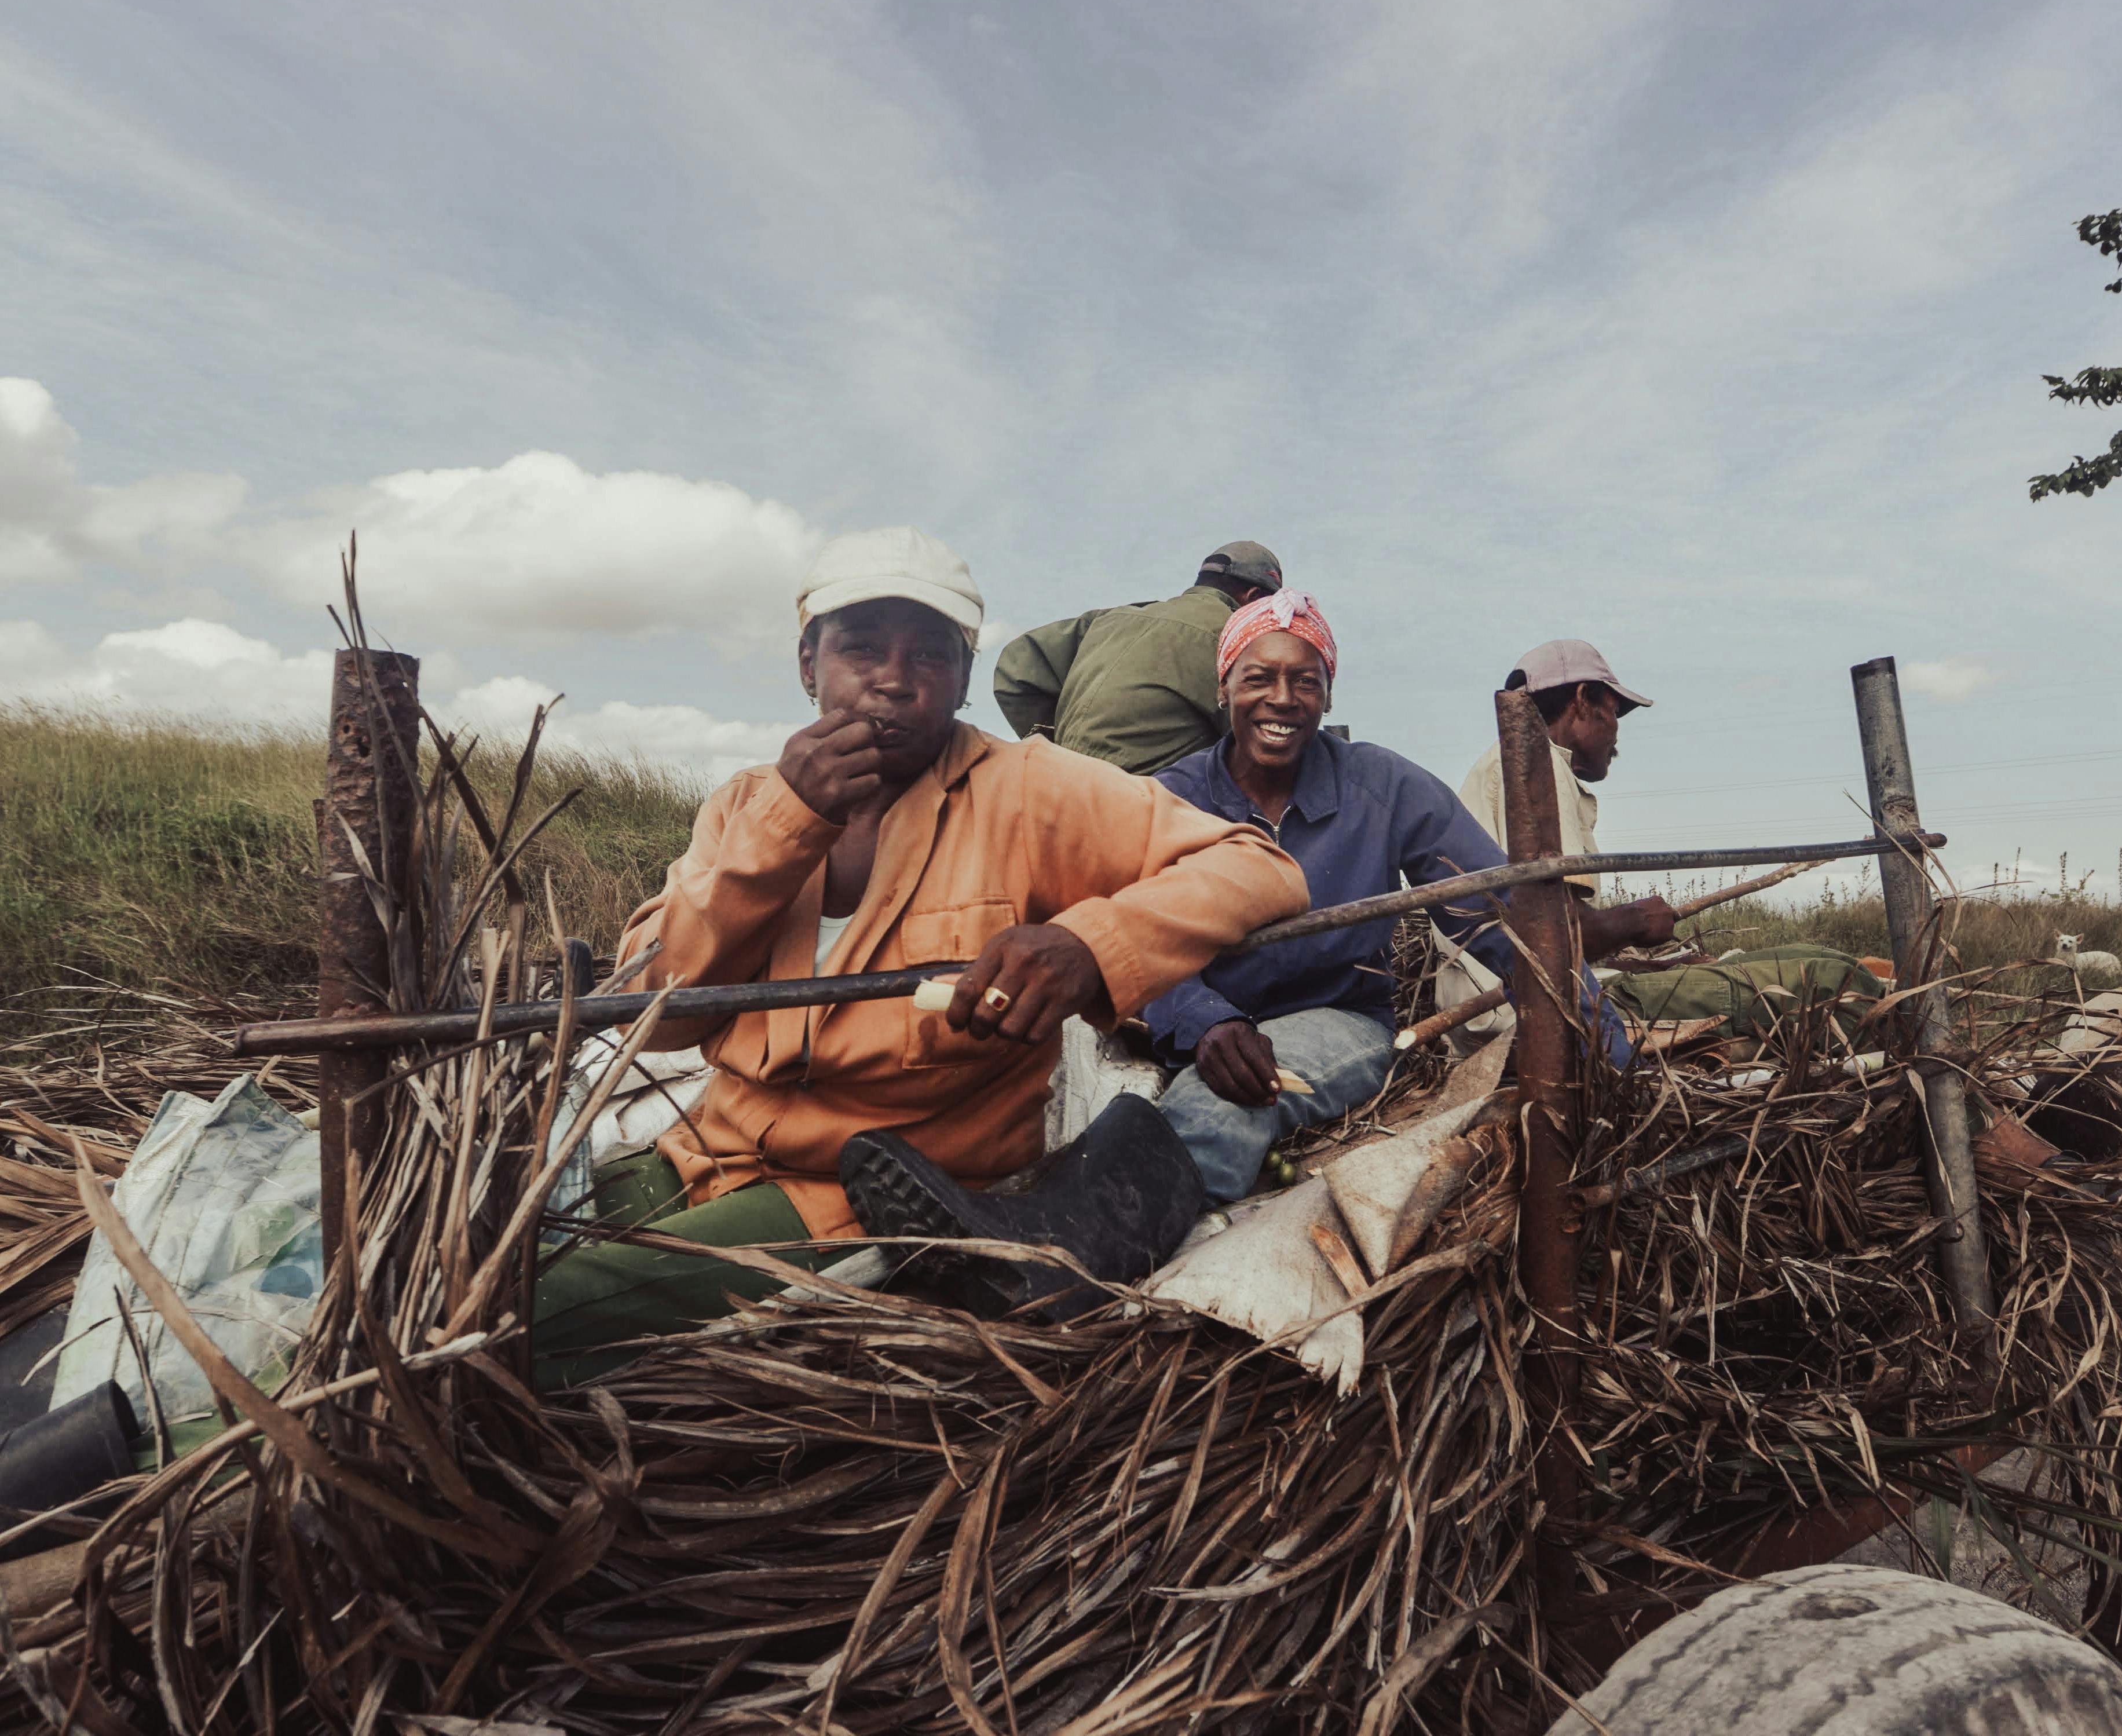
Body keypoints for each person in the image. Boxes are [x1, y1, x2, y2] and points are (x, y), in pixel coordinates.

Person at [530, 526, 1308, 1377]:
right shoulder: (745, 803)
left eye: (930, 655)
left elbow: (1254, 863)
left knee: (529, 1319)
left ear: (965, 677)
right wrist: (785, 829)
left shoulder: (1029, 790)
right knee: (491, 1246)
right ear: (807, 665)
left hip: (871, 1199)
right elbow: (660, 1013)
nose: (894, 680)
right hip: (707, 1152)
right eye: (861, 648)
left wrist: (1091, 946)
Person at [1137, 591, 1626, 1204]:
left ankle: (1110, 1258)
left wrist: (1605, 1041)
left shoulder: (1382, 785)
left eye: (1305, 682)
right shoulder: (1171, 799)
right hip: (1213, 1021)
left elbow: (1498, 916)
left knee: (1220, 1103)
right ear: (1224, 687)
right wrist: (1204, 1020)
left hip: (1339, 1020)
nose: (1282, 699)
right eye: (1257, 678)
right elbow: (1134, 939)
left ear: (1329, 695)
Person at [1457, 639, 1677, 959]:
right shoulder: (1537, 765)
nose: (1616, 733)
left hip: (1513, 989)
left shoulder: (1509, 761)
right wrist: (1639, 920)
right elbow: (1559, 932)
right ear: (1583, 700)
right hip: (1520, 1002)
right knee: (1759, 975)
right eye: (1614, 711)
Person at [991, 540, 1285, 774]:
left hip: (1061, 791)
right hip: (1147, 814)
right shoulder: (1234, 637)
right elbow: (1264, 746)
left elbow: (1016, 668)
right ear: (1253, 598)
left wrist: (1059, 747)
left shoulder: (1113, 618)